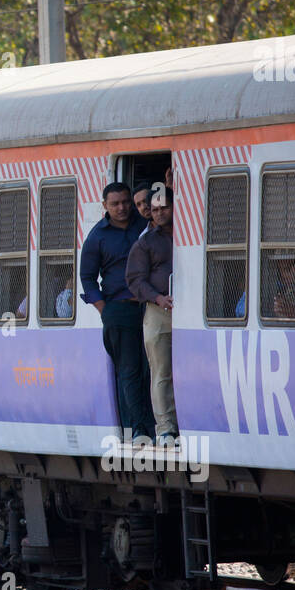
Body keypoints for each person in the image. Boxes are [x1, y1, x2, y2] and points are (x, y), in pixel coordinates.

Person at [79, 182, 154, 443]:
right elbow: (87, 277)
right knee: (129, 370)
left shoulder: (144, 225)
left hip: (151, 307)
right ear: (105, 206)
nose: (121, 208)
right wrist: (104, 309)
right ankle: (138, 429)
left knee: (153, 369)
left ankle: (156, 426)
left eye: (125, 202)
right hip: (118, 310)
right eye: (115, 204)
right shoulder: (97, 236)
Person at [127, 186, 178, 445]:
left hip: (191, 312)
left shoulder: (189, 232)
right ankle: (166, 429)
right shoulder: (145, 242)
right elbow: (135, 280)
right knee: (161, 371)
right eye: (155, 210)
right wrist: (158, 297)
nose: (159, 214)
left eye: (164, 208)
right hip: (159, 312)